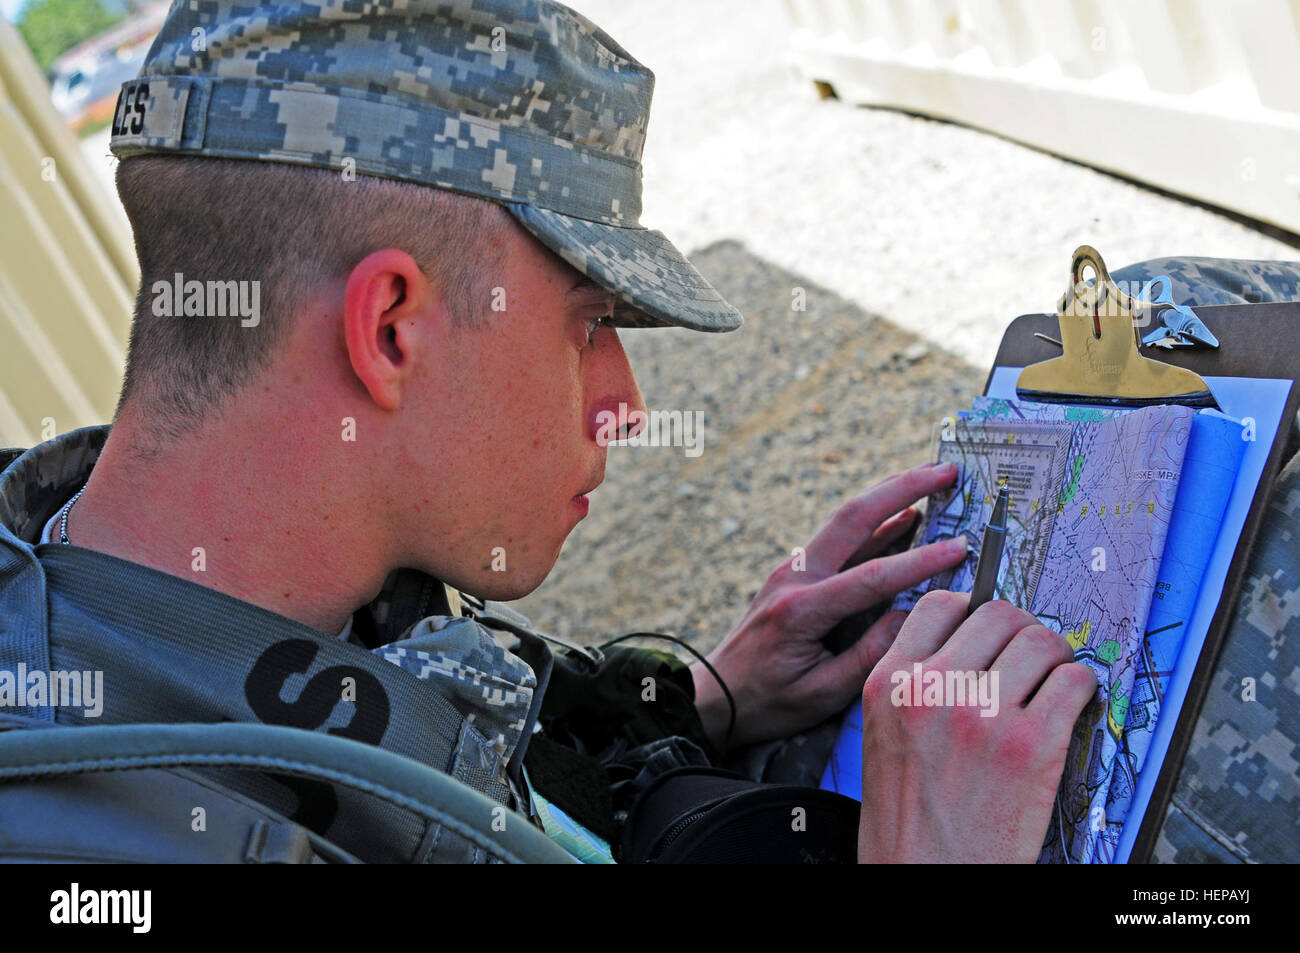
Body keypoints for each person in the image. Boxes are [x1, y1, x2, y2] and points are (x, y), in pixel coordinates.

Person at [5, 0, 1240, 864]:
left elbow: (436, 725)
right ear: (391, 327)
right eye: (590, 321)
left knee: (1172, 310)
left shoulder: (219, 562)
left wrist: (698, 699)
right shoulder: (101, 836)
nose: (627, 404)